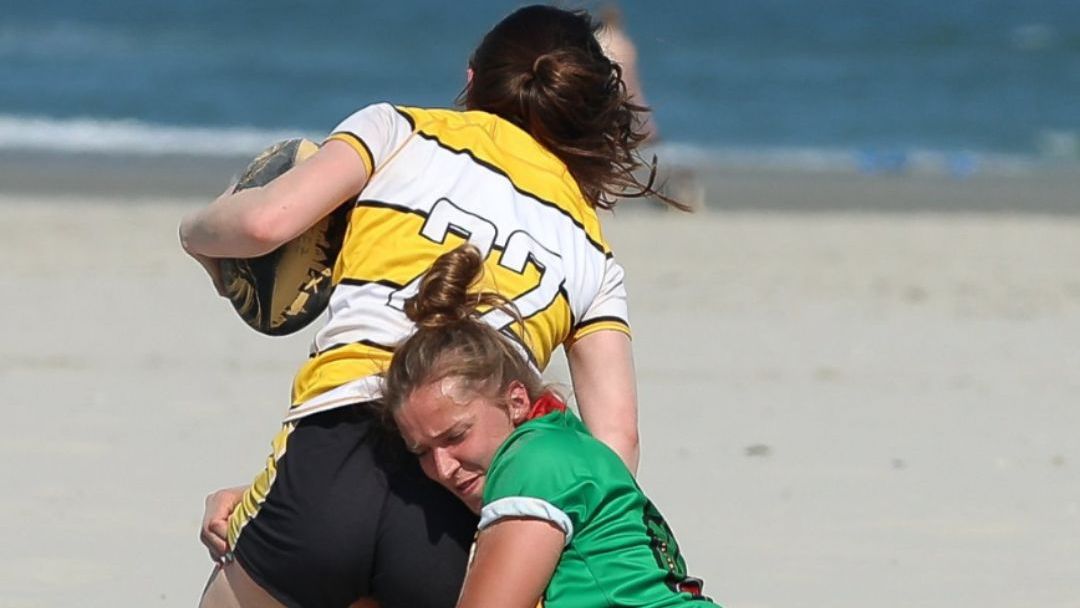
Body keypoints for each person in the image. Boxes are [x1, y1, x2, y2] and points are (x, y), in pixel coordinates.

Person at [179, 5, 685, 608]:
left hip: (335, 447)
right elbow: (615, 441)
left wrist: (195, 232)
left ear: (471, 80)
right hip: (466, 493)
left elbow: (265, 222)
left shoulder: (400, 129)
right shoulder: (593, 251)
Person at [382, 243, 719, 608]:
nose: (443, 467)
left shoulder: (532, 461)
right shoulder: (567, 443)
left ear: (516, 401)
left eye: (457, 435)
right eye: (422, 451)